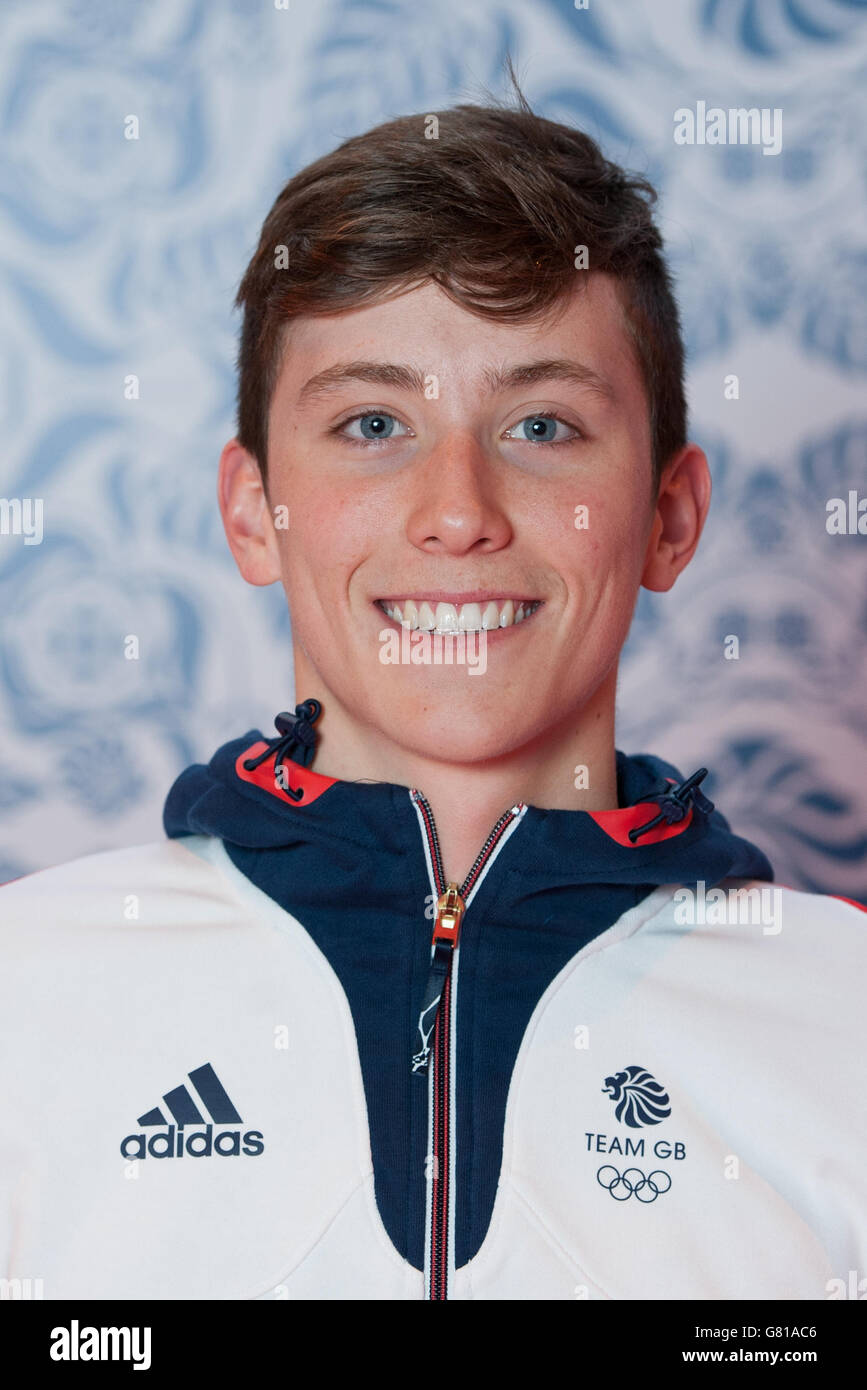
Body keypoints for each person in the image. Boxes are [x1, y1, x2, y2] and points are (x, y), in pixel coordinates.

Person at [1, 78, 864, 1303]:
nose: (458, 512)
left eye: (544, 425)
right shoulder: (20, 999)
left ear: (669, 518)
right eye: (370, 424)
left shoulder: (848, 1026)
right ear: (253, 512)